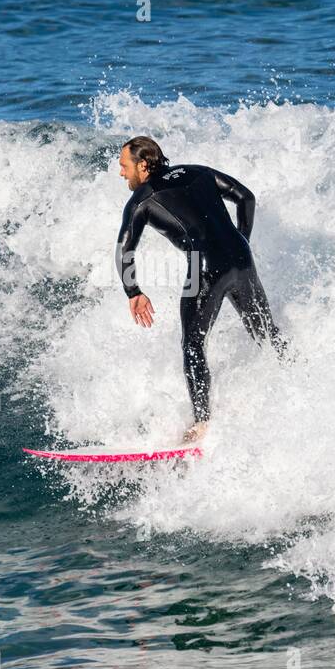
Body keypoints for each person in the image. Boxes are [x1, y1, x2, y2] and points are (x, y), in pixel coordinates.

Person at [115, 135, 289, 443]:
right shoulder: (197, 171)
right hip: (242, 256)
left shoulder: (142, 198)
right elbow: (245, 197)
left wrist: (134, 292)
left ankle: (202, 424)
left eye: (124, 165)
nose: (121, 173)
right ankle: (298, 374)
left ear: (142, 165)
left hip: (203, 267)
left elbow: (124, 250)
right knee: (264, 331)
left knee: (192, 344)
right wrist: (242, 239)